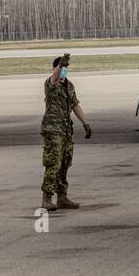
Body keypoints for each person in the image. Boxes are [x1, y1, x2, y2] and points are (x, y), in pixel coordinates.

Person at [40, 54, 91, 212]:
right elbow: (55, 77)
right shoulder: (50, 84)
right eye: (62, 69)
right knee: (53, 163)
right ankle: (47, 198)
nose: (64, 72)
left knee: (64, 164)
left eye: (66, 70)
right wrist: (60, 66)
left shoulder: (69, 86)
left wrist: (85, 123)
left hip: (65, 130)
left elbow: (75, 105)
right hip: (52, 130)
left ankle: (62, 197)